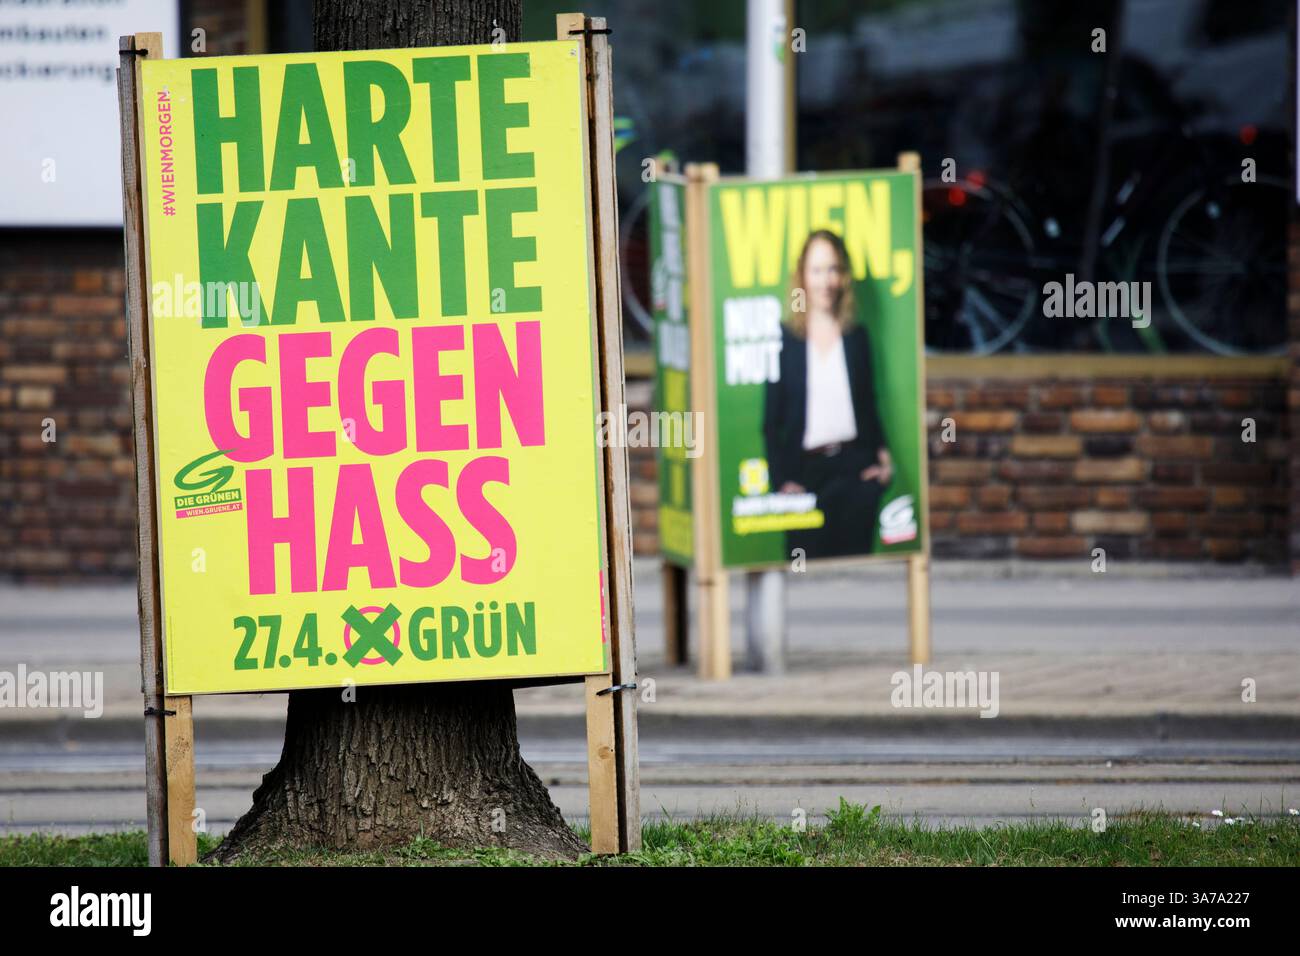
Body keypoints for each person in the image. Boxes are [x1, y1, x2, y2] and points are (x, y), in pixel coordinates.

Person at [762, 229, 892, 558]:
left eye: (833, 269)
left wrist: (882, 460)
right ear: (803, 276)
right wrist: (782, 481)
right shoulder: (784, 340)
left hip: (855, 471)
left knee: (854, 580)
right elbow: (770, 422)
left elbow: (868, 403)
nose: (826, 280)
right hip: (805, 477)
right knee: (805, 581)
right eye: (817, 270)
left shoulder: (856, 336)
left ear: (843, 276)